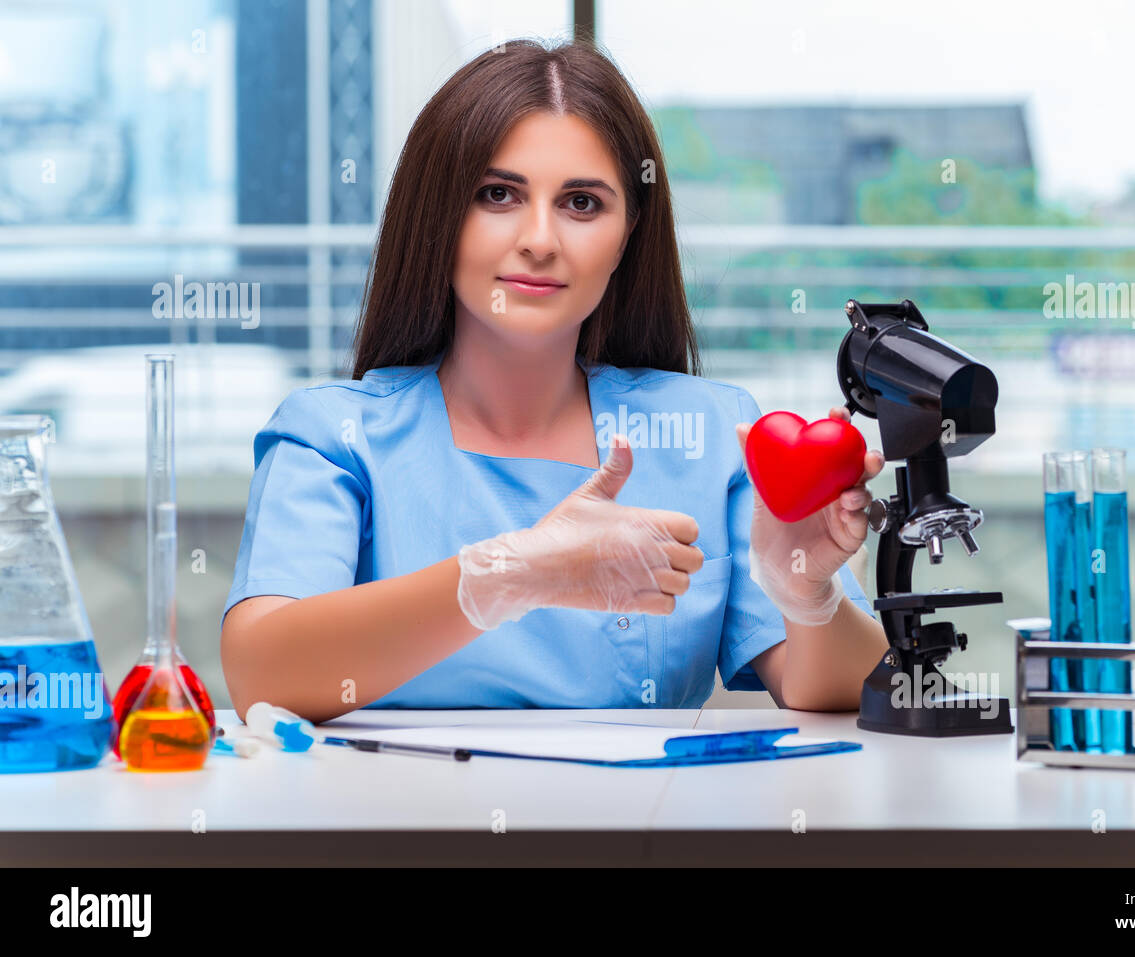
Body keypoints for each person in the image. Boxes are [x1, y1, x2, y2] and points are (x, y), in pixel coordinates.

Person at [220, 38, 889, 724]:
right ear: (438, 218)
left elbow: (835, 688)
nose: (540, 239)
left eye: (581, 203)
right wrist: (516, 572)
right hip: (407, 828)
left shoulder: (712, 433)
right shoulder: (335, 435)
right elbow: (261, 674)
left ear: (628, 234)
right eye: (498, 194)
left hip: (639, 830)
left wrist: (808, 592)